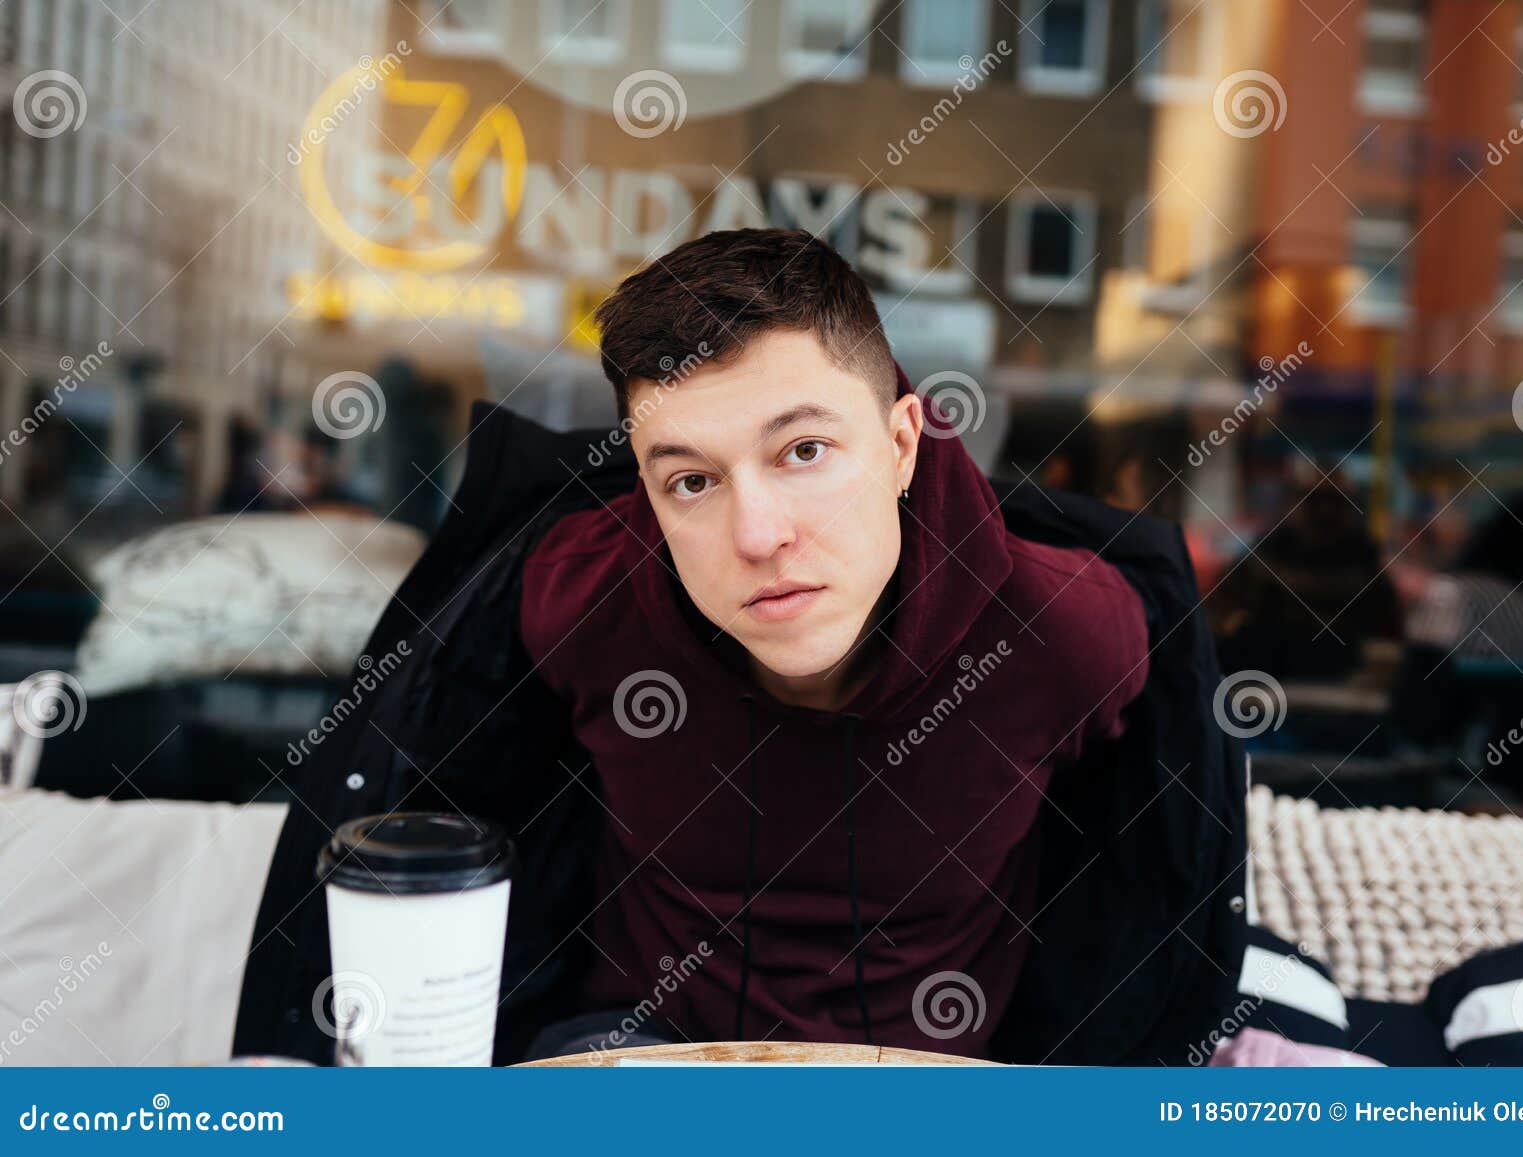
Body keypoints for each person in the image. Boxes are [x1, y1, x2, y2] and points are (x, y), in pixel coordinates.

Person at [236, 229, 1247, 1065]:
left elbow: (1145, 862)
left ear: (903, 443)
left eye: (803, 452)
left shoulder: (1069, 629)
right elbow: (452, 783)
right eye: (691, 479)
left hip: (937, 1085)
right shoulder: (576, 597)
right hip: (627, 1057)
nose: (757, 533)